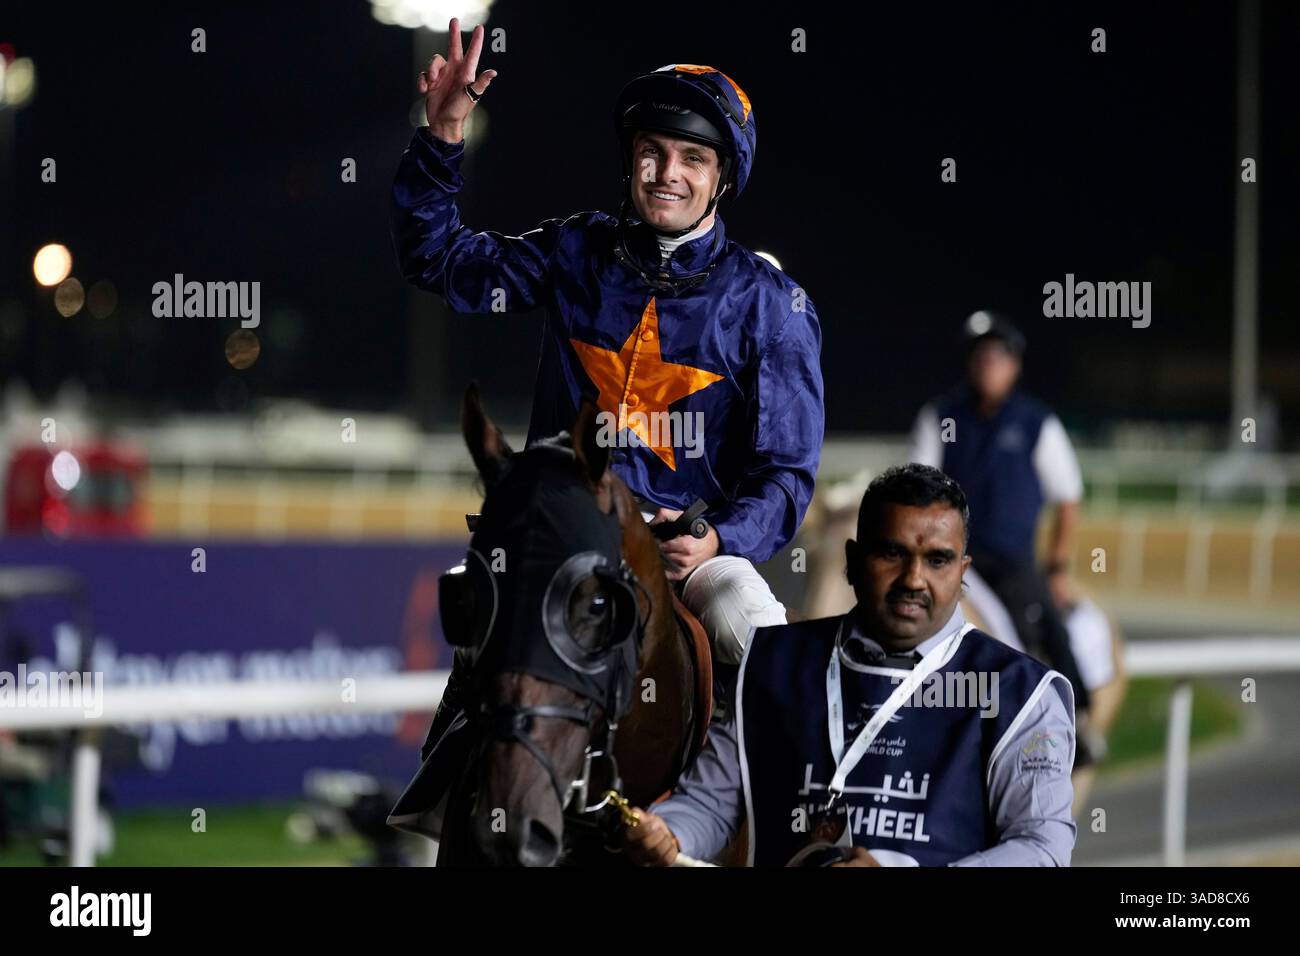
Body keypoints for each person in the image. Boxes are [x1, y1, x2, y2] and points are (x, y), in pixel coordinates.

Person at [390, 21, 823, 811]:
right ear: (630, 158)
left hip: (689, 556)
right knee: (476, 591)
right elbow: (439, 262)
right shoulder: (573, 251)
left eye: (693, 159)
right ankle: (449, 786)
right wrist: (443, 136)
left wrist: (720, 537)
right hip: (564, 532)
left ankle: (806, 822)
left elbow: (788, 474)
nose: (667, 174)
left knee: (754, 628)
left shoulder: (771, 304)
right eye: (653, 151)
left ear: (721, 178)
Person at [622, 464, 1076, 867]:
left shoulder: (1024, 693)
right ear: (854, 562)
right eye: (892, 554)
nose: (914, 579)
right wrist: (670, 829)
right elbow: (709, 803)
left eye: (937, 560)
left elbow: (1042, 848)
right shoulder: (771, 662)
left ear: (961, 572)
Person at [908, 312, 1093, 747]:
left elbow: (1068, 497)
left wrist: (1059, 567)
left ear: (1014, 366)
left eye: (998, 357)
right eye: (981, 357)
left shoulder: (1036, 423)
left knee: (1048, 625)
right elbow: (915, 491)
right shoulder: (940, 416)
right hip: (949, 561)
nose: (989, 365)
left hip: (1010, 563)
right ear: (970, 364)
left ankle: (1077, 718)